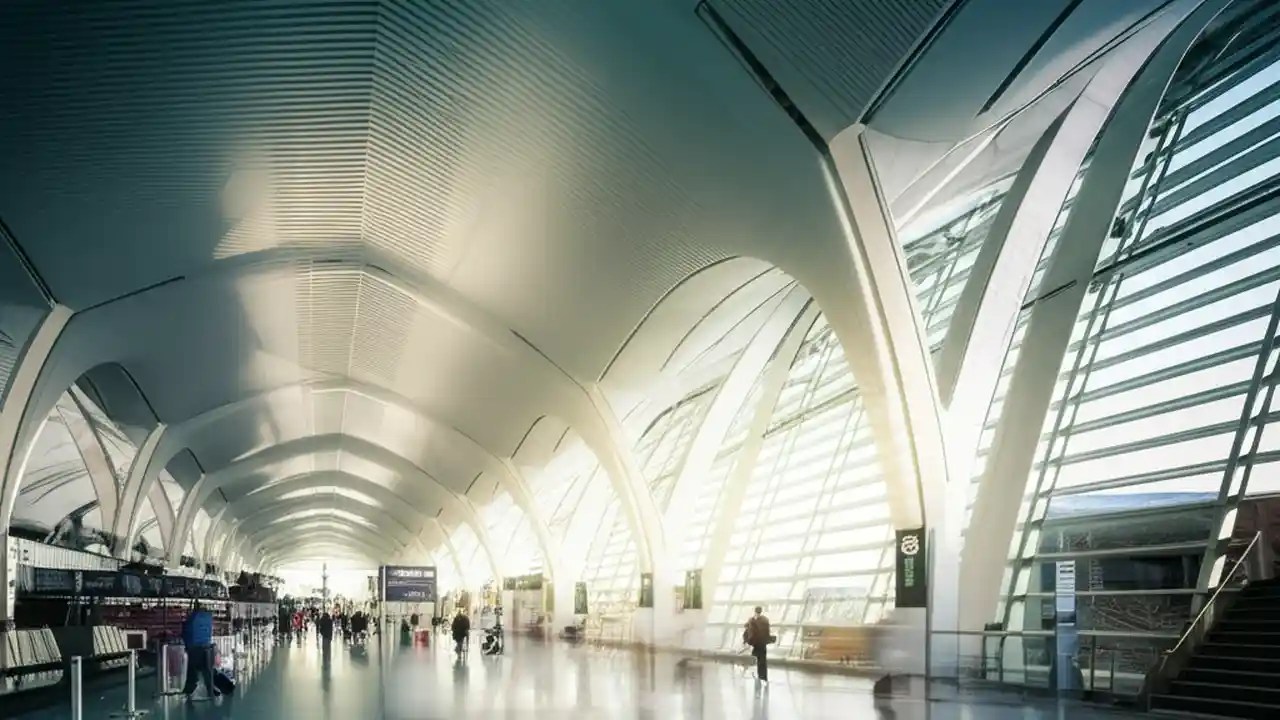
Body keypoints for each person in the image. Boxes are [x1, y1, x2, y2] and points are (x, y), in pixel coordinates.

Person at [181, 602, 218, 699]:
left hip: (194, 648)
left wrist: (186, 645)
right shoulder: (208, 617)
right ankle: (210, 691)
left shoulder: (193, 618)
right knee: (207, 671)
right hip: (207, 647)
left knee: (192, 671)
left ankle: (189, 691)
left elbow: (187, 632)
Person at [743, 606, 772, 684]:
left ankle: (761, 677)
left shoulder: (752, 620)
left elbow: (747, 627)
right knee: (762, 660)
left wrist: (747, 640)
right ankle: (763, 677)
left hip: (757, 643)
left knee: (760, 659)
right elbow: (767, 632)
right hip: (762, 643)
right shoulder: (764, 620)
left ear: (755, 611)